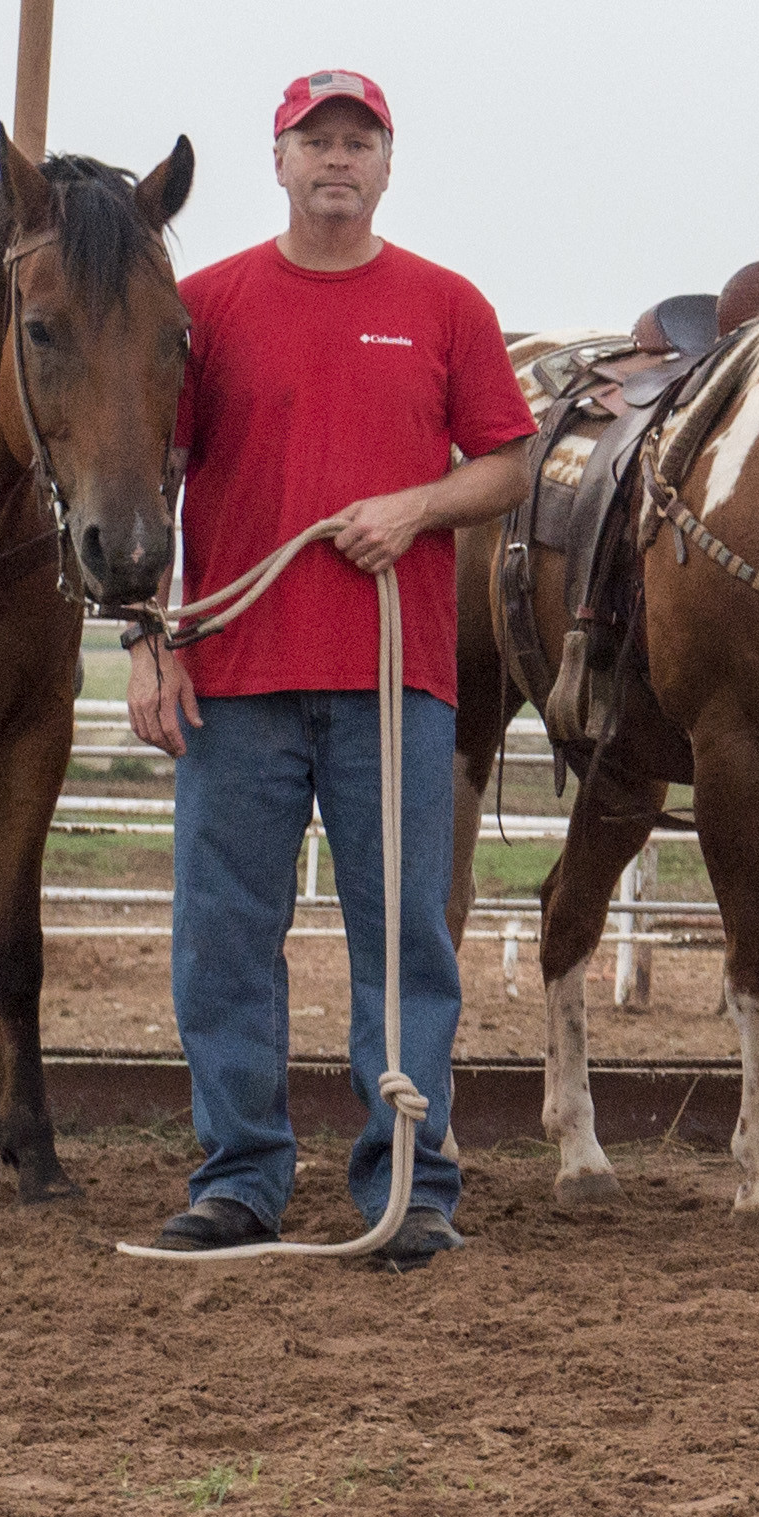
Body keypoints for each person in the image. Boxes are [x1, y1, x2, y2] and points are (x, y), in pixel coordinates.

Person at [131, 70, 536, 1266]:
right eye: (318, 142)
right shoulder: (204, 309)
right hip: (234, 673)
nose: (338, 162)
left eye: (359, 142)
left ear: (387, 163)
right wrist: (151, 638)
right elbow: (146, 476)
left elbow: (506, 465)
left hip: (393, 682)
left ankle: (408, 1178)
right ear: (279, 159)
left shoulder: (444, 304)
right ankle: (240, 1174)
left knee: (403, 934)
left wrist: (416, 506)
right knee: (221, 936)